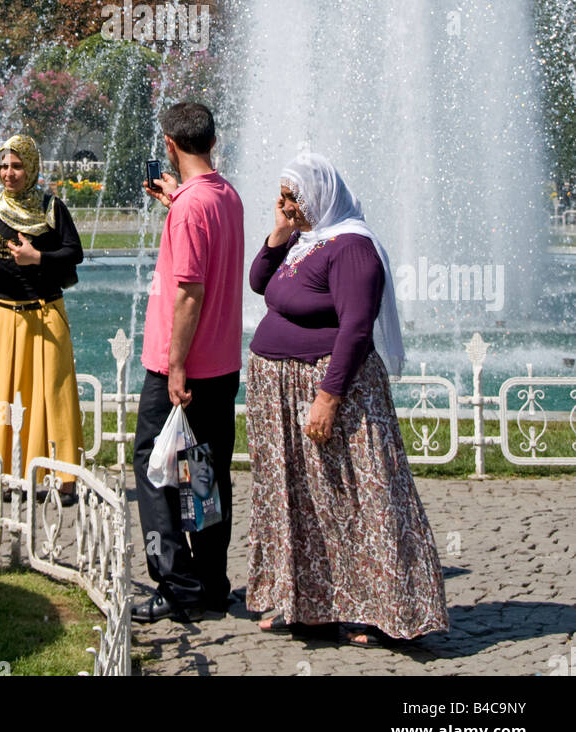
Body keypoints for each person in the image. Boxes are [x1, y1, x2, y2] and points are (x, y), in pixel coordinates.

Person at [246, 150, 448, 645]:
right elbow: (258, 283)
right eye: (283, 196)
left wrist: (328, 398)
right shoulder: (305, 241)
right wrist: (278, 231)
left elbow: (357, 329)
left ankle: (392, 614)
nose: (286, 206)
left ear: (320, 196)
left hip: (330, 390)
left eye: (293, 197)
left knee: (360, 499)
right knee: (301, 499)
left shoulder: (352, 247)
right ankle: (310, 605)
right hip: (280, 390)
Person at [132, 102, 244, 624]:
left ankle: (175, 585)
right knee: (205, 474)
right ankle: (212, 585)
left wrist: (174, 368)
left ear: (170, 146)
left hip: (179, 370)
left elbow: (189, 294)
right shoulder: (228, 197)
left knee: (156, 473)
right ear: (212, 142)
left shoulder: (189, 208)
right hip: (221, 365)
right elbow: (202, 226)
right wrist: (174, 200)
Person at [0, 134, 84, 499]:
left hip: (45, 314)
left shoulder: (51, 207)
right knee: (0, 391)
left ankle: (65, 479)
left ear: (31, 167)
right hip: (2, 314)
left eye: (16, 166)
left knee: (55, 392)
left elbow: (74, 253)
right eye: (3, 165)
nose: (8, 173)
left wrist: (38, 259)